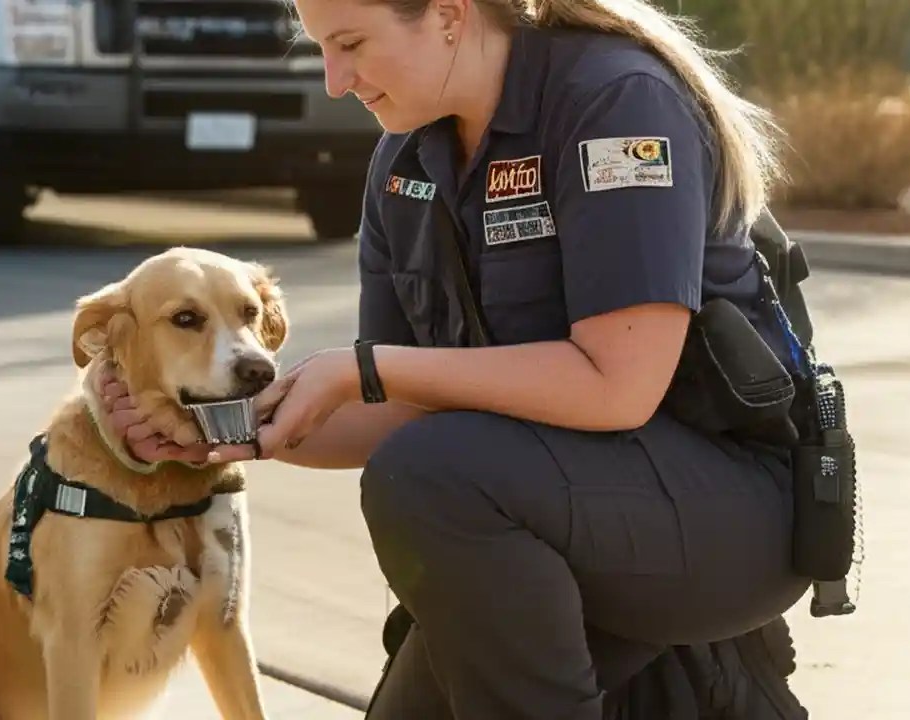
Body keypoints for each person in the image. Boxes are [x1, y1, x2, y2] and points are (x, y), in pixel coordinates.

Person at [101, 0, 818, 717]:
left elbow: (619, 385)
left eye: (349, 43)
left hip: (727, 512)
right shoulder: (403, 162)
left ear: (447, 14)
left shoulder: (613, 102)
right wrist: (217, 430)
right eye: (321, 49)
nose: (334, 81)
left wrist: (365, 369)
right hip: (551, 507)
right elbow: (395, 413)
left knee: (426, 475)